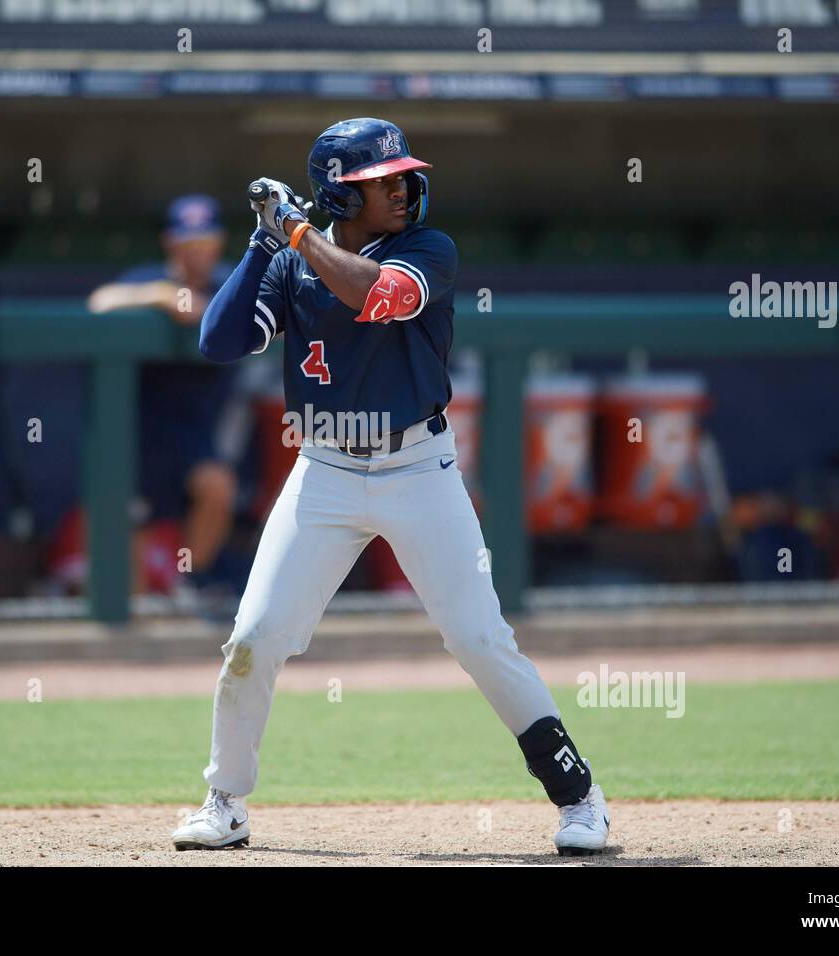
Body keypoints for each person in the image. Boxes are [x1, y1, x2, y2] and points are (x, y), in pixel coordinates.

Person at [170, 118, 610, 855]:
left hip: (419, 467)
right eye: (381, 182)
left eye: (404, 175)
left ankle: (580, 796)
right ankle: (226, 802)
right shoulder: (291, 262)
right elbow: (219, 342)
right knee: (252, 638)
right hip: (327, 472)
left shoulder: (426, 250)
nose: (402, 188)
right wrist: (262, 241)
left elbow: (380, 299)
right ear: (342, 195)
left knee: (478, 638)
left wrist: (300, 235)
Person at [87, 195, 247, 605]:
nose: (198, 252)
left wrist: (206, 309)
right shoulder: (150, 278)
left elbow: (266, 310)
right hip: (140, 434)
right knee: (128, 535)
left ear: (218, 242)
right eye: (189, 243)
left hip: (196, 434)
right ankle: (129, 622)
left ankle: (185, 583)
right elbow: (99, 303)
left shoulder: (231, 281)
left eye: (206, 242)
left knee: (217, 487)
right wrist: (160, 295)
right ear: (171, 244)